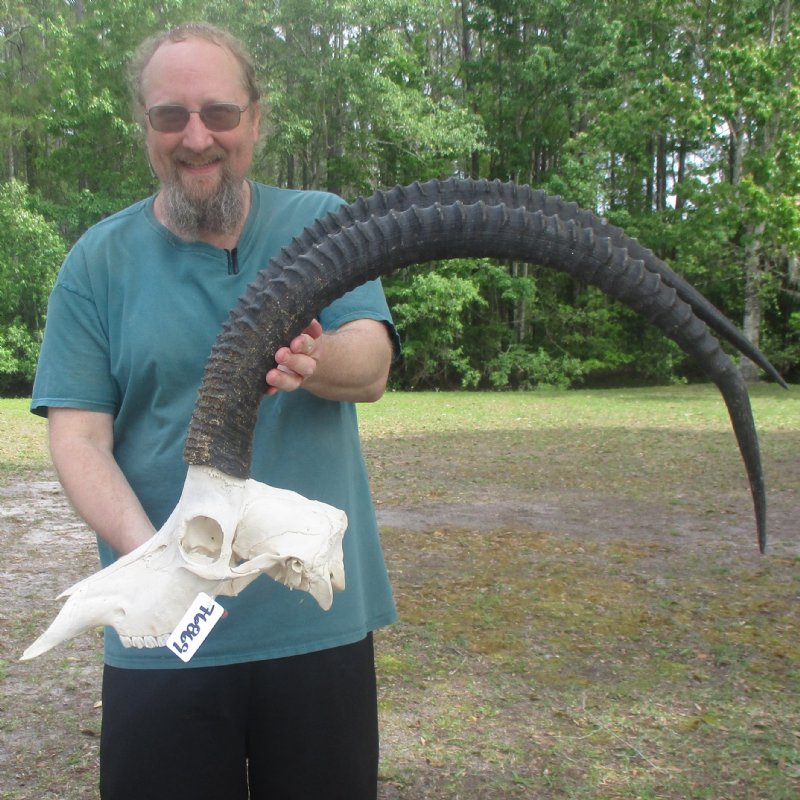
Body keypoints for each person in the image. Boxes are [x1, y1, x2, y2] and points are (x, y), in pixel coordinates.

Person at [31, 21, 398, 800]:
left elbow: (370, 362)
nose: (196, 137)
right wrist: (164, 568)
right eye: (171, 116)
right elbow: (80, 438)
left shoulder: (321, 225)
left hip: (316, 624)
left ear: (256, 121)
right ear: (145, 130)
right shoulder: (97, 262)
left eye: (219, 114)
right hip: (164, 640)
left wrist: (316, 357)